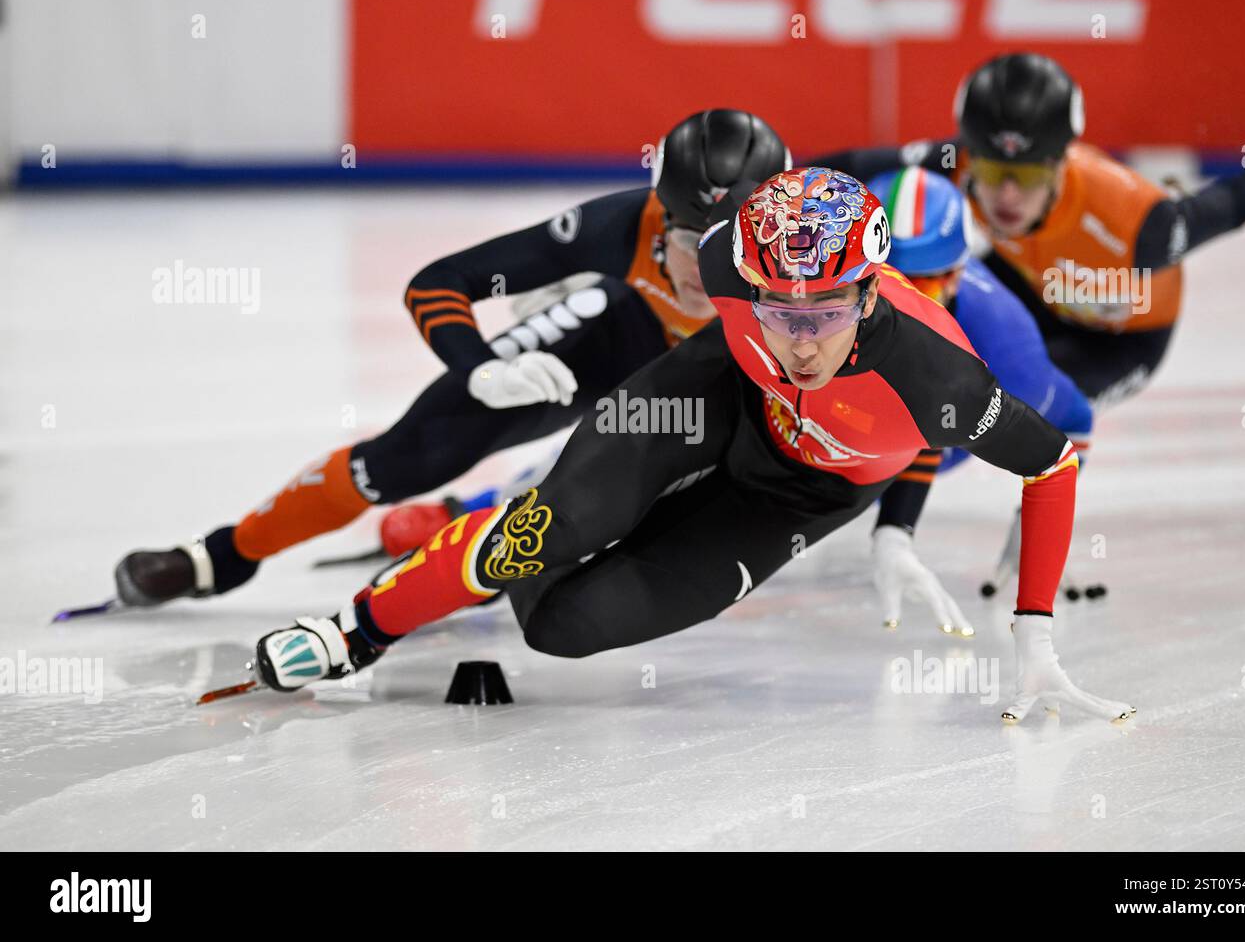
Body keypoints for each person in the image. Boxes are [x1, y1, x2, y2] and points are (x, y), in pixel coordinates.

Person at [252, 167, 1135, 725]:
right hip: (717, 394)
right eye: (778, 311)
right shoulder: (726, 265)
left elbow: (1053, 462)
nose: (799, 339)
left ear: (868, 297)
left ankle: (521, 535)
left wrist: (1034, 635)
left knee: (562, 625)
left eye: (824, 314)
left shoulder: (944, 381)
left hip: (800, 496)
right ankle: (357, 628)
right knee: (553, 526)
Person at [105, 109, 791, 608]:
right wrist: (479, 368)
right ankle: (221, 556)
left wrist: (890, 526)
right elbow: (438, 283)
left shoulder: (808, 266)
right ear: (658, 214)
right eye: (685, 236)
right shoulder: (619, 226)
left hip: (730, 375)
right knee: (408, 455)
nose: (702, 266)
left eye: (725, 246)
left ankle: (491, 520)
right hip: (626, 339)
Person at [817, 52, 1245, 587]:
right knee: (938, 354)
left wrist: (1037, 515)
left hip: (1118, 340)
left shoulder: (1141, 224)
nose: (1007, 194)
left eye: (1028, 174)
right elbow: (845, 166)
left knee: (1029, 402)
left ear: (1064, 160)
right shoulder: (955, 161)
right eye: (992, 171)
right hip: (1031, 291)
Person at [864, 166, 1094, 634]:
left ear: (954, 276)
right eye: (875, 279)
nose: (895, 298)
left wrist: (1038, 520)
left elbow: (1074, 419)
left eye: (919, 282)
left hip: (929, 425)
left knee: (926, 399)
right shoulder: (812, 294)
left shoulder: (1011, 352)